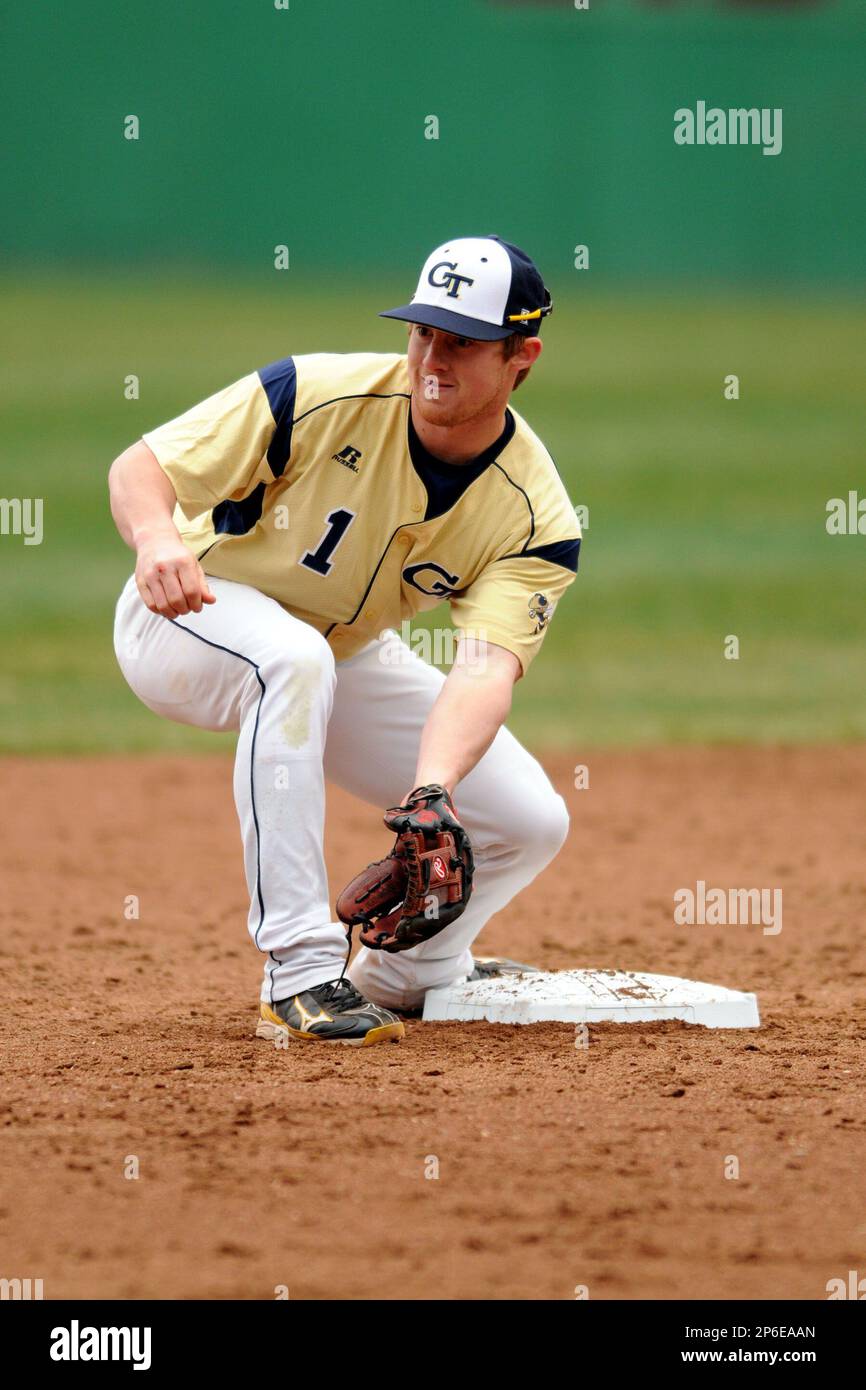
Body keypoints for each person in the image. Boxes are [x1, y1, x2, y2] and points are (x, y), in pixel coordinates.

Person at [109, 234, 581, 1047]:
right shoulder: (316, 393)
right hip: (189, 619)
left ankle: (407, 974)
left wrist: (431, 788)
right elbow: (142, 465)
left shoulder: (534, 513)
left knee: (529, 819)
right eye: (424, 330)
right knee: (293, 659)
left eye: (462, 341)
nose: (434, 355)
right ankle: (297, 971)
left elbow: (485, 667)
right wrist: (157, 540)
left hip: (340, 652)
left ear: (522, 356)